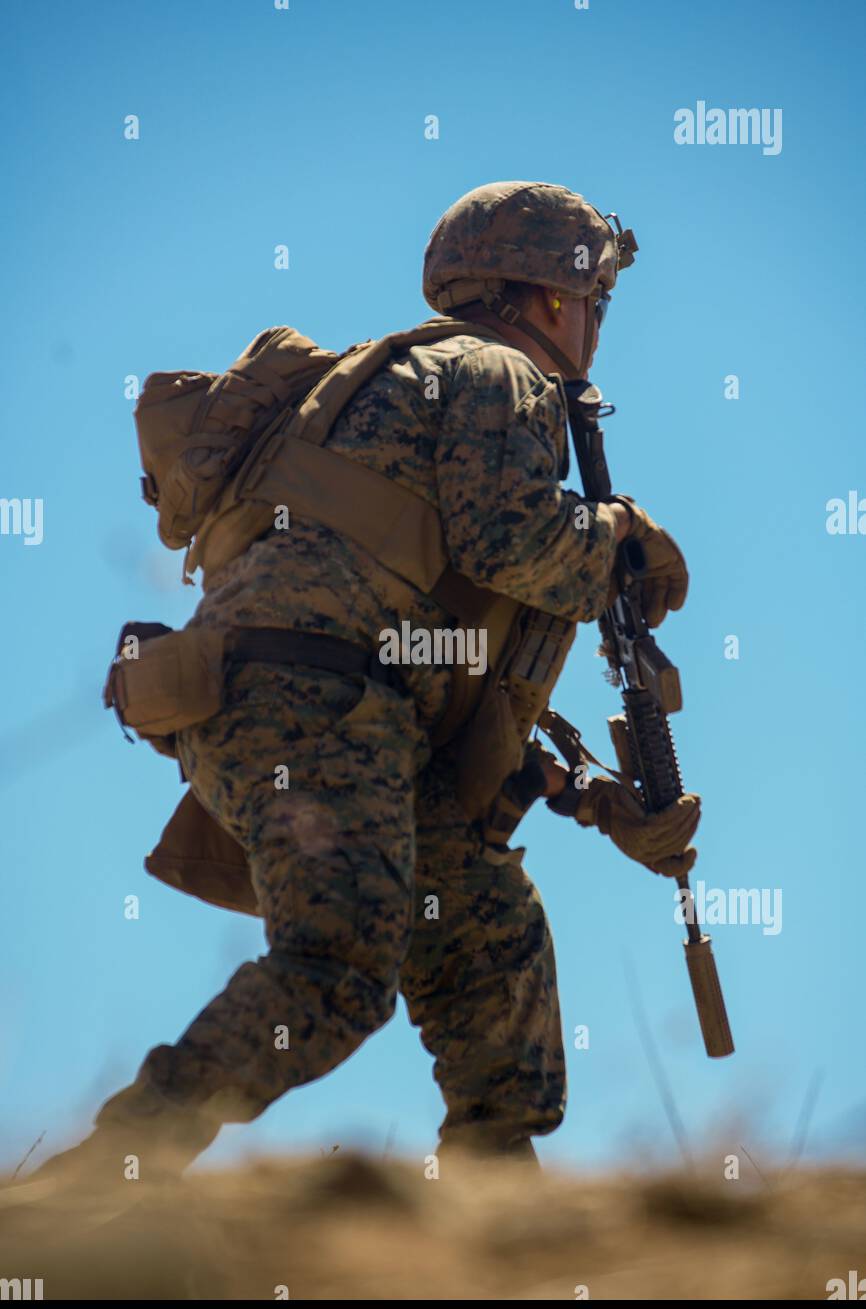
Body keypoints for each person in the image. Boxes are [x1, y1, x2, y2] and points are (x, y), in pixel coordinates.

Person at [33, 182, 698, 1187]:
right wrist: (622, 536)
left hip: (289, 701)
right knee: (335, 972)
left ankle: (491, 1206)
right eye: (594, 300)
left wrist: (596, 800)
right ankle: (96, 1183)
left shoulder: (388, 381)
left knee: (482, 921)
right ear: (551, 298)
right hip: (318, 704)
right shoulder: (497, 373)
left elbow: (444, 653)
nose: (596, 325)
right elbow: (515, 544)